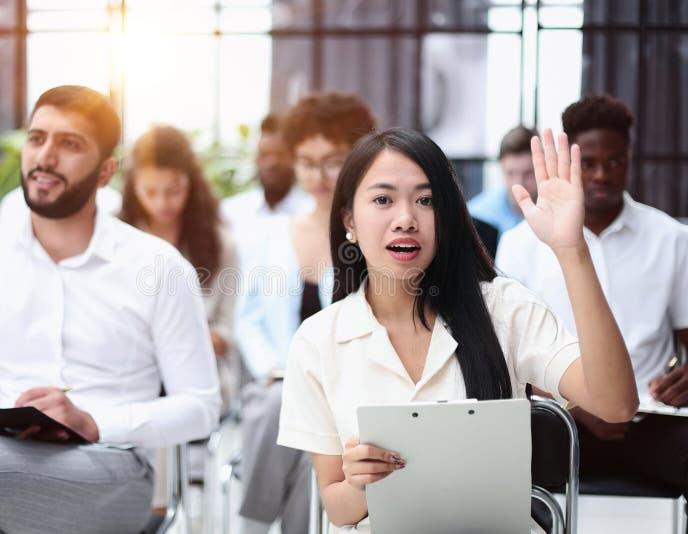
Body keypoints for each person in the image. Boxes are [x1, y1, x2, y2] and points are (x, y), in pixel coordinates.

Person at [0, 85, 220, 533]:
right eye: (37, 137)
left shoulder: (158, 267)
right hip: (2, 461)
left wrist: (90, 421)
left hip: (116, 470)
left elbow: (200, 406)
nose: (45, 157)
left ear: (105, 172)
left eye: (70, 144)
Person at [276, 126, 638, 532]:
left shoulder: (504, 308)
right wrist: (360, 484)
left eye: (426, 200)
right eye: (382, 200)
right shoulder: (318, 339)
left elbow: (615, 405)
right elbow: (338, 509)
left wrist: (572, 252)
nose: (406, 219)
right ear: (349, 220)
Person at [496, 94, 688, 524]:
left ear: (630, 159)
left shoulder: (670, 238)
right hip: (559, 419)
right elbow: (506, 354)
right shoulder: (521, 244)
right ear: (567, 160)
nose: (604, 174)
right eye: (590, 163)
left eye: (616, 161)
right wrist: (581, 406)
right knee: (495, 464)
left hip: (649, 420)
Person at [235, 92, 376, 534]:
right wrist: (271, 367)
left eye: (332, 161)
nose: (317, 175)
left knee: (306, 421)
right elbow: (248, 318)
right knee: (284, 402)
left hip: (349, 390)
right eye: (306, 161)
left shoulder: (374, 234)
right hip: (277, 382)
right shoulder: (273, 234)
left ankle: (250, 526)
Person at [119, 124, 239, 409]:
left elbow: (227, 329)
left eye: (173, 191)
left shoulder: (219, 242)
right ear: (133, 187)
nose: (162, 203)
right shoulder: (116, 237)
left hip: (196, 377)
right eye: (150, 191)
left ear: (191, 183)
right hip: (127, 380)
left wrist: (190, 340)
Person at [221, 113, 314, 273]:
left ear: (294, 159)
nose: (272, 163)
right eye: (265, 155)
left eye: (280, 154)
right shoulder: (232, 211)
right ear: (256, 160)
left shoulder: (311, 212)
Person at [468, 125, 539, 235]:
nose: (519, 184)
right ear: (501, 169)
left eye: (528, 174)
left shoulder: (556, 211)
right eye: (510, 174)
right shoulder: (477, 215)